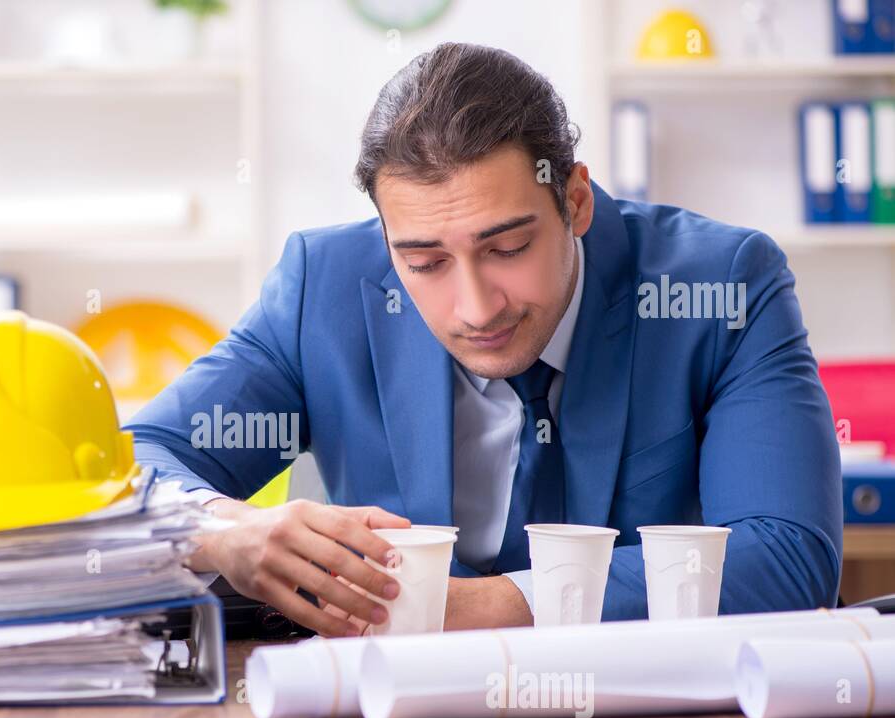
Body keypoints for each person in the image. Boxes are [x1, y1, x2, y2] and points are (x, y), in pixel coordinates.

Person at [125, 42, 842, 636]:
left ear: (575, 200)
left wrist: (474, 608)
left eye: (507, 248)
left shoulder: (722, 287)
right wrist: (219, 529)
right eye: (424, 262)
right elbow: (131, 461)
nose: (475, 307)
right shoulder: (325, 288)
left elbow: (788, 557)